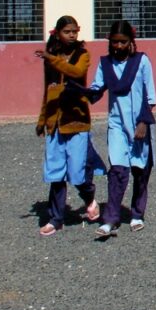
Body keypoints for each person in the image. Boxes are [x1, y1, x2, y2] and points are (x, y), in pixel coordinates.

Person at [87, 21, 156, 238]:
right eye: (115, 42)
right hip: (116, 125)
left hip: (139, 124)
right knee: (117, 171)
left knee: (140, 170)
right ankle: (110, 218)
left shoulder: (141, 61)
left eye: (123, 42)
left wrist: (143, 122)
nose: (118, 46)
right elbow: (96, 89)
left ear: (131, 42)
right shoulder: (105, 64)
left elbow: (150, 95)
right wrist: (78, 91)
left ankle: (137, 214)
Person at [35, 16, 101, 237]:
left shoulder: (82, 54)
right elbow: (48, 89)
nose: (72, 35)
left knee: (77, 171)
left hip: (76, 121)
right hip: (55, 122)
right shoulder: (51, 58)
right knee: (55, 174)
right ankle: (56, 218)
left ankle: (89, 197)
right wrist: (42, 120)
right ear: (58, 33)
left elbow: (76, 72)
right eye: (67, 31)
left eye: (75, 31)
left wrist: (51, 58)